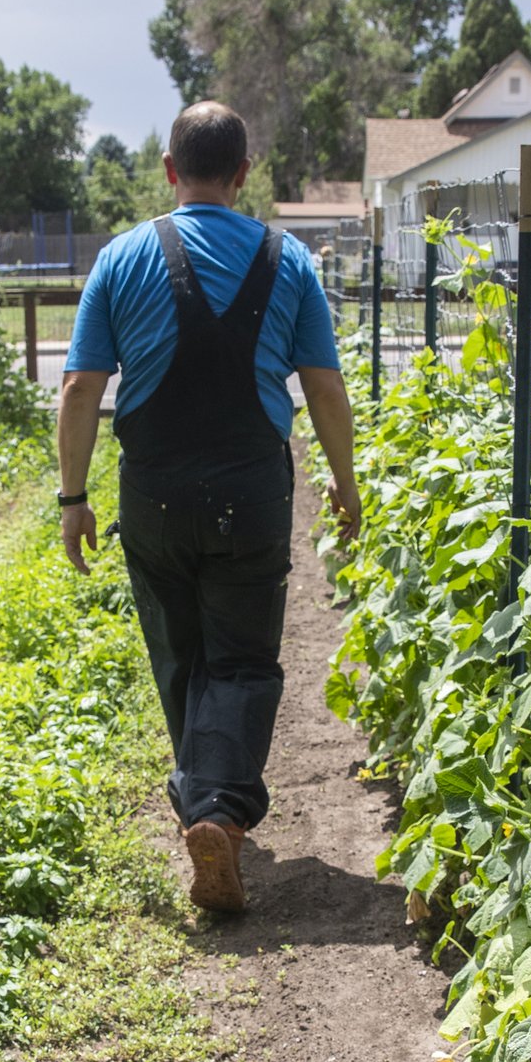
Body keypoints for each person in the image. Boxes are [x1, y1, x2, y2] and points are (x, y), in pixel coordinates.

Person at [57, 101, 361, 914]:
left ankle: (204, 804)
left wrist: (74, 497)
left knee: (181, 657)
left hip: (152, 496)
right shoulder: (289, 261)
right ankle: (218, 812)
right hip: (250, 497)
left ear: (168, 170)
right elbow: (324, 388)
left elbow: (81, 387)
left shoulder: (121, 258)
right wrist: (344, 479)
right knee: (242, 662)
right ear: (243, 174)